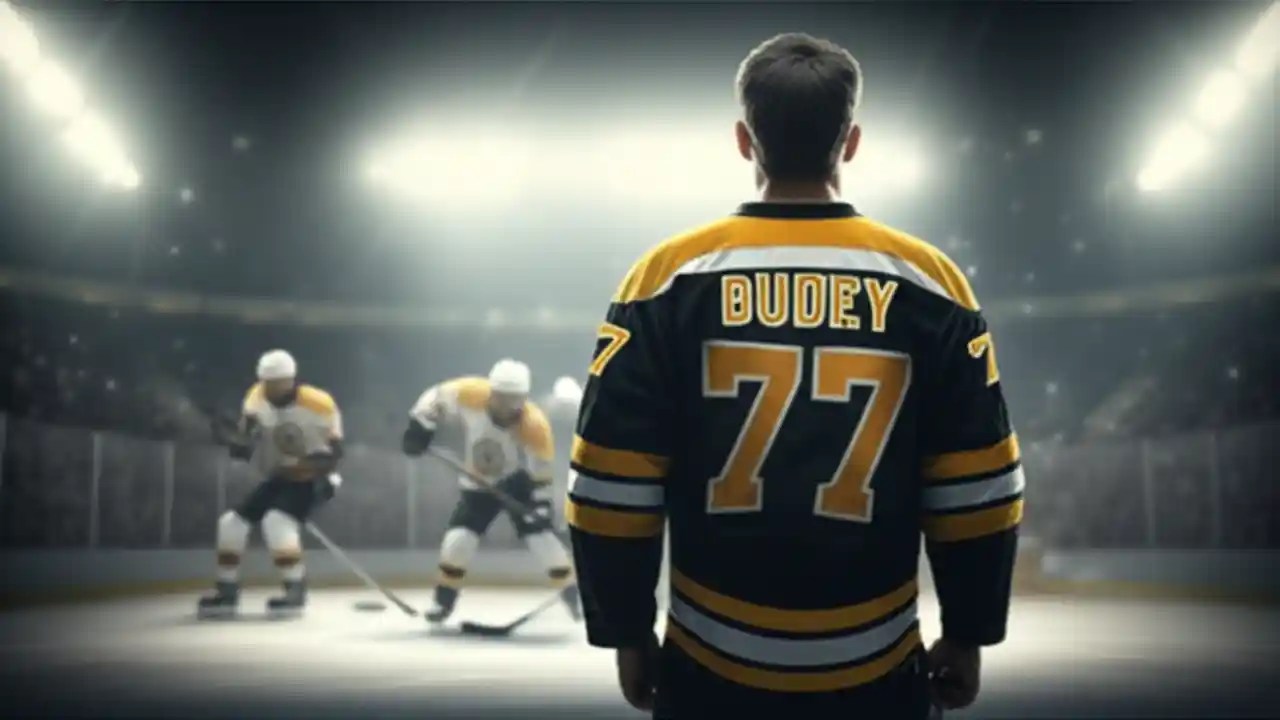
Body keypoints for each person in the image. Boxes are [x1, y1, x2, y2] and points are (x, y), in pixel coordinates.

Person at [566, 32, 1023, 718]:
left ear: (745, 140)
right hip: (876, 669)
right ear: (853, 141)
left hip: (710, 667)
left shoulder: (663, 278)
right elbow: (977, 488)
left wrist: (626, 631)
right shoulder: (933, 283)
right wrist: (969, 631)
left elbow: (610, 483)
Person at [402, 358, 582, 624]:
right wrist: (421, 427)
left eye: (515, 399)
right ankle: (443, 602)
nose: (508, 407)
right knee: (458, 541)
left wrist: (541, 507)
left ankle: (575, 600)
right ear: (492, 391)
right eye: (502, 398)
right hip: (477, 483)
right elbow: (434, 398)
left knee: (544, 542)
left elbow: (541, 473)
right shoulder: (470, 393)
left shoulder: (535, 425)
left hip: (518, 484)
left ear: (524, 398)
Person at [198, 349, 344, 616]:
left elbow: (334, 455)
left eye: (274, 383)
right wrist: (238, 443)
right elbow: (248, 437)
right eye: (264, 382)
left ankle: (295, 590)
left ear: (290, 380)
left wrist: (307, 469)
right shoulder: (256, 396)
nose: (268, 389)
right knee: (231, 524)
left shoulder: (320, 404)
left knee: (277, 521)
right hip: (281, 475)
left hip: (316, 478)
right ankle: (226, 592)